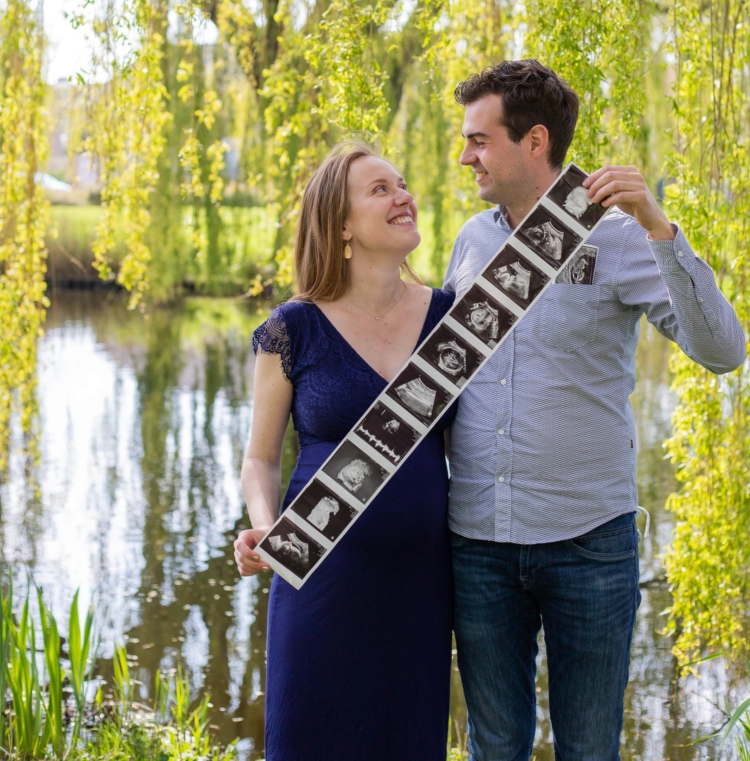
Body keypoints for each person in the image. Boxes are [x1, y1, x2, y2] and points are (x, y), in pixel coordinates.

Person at [445, 59, 745, 761]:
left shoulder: (617, 235)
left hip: (588, 545)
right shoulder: (472, 241)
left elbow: (724, 352)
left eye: (479, 141)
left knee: (588, 748)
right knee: (495, 746)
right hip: (478, 542)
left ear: (535, 141)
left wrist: (658, 226)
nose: (465, 157)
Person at [233, 141, 456, 761]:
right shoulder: (293, 327)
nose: (403, 196)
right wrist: (265, 528)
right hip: (319, 577)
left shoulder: (451, 318)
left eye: (402, 184)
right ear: (341, 226)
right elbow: (259, 459)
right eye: (380, 189)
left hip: (420, 585)